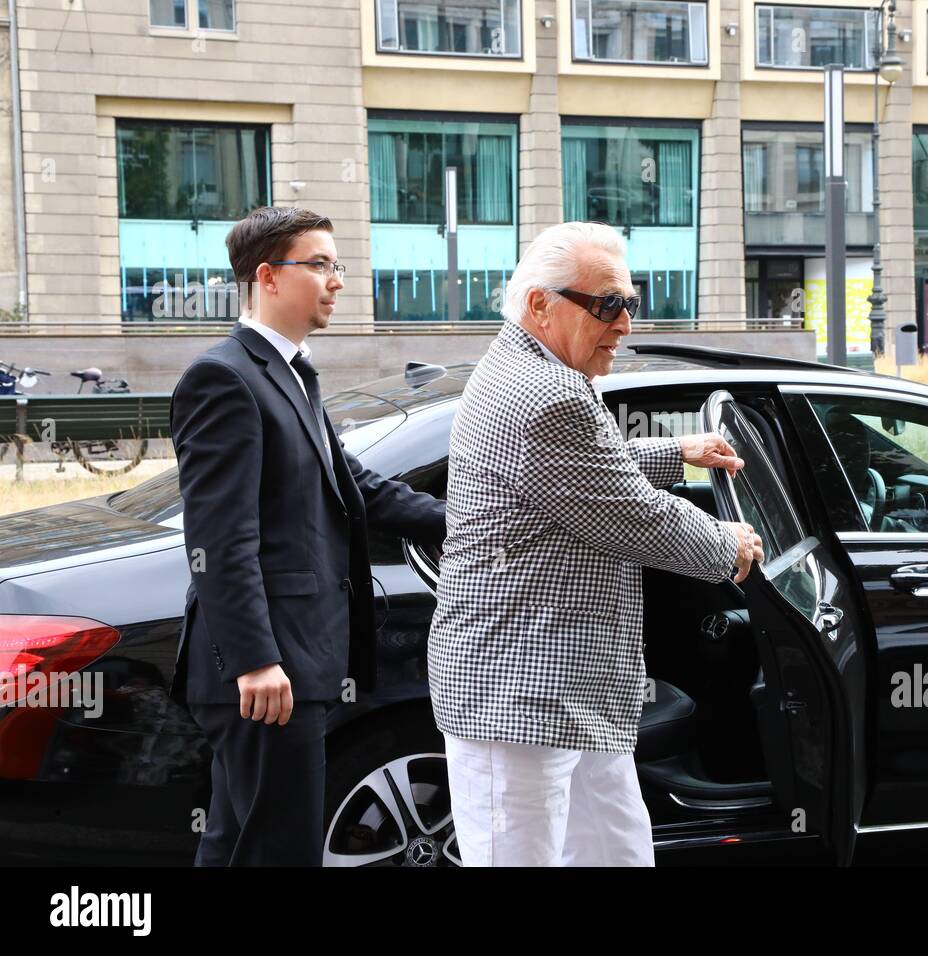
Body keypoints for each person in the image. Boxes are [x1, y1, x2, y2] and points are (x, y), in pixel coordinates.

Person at [428, 220, 764, 867]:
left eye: (631, 304)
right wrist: (728, 545)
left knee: (619, 853)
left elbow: (584, 470)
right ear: (539, 304)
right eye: (608, 304)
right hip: (521, 697)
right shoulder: (547, 394)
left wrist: (676, 451)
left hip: (567, 691)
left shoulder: (526, 365)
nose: (626, 324)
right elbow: (635, 516)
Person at [170, 205, 447, 866]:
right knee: (277, 850)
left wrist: (474, 520)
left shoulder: (290, 373)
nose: (337, 280)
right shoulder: (225, 377)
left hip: (298, 658)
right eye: (319, 264)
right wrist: (255, 660)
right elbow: (219, 536)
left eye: (336, 265)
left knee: (242, 844)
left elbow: (360, 488)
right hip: (269, 670)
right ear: (267, 276)